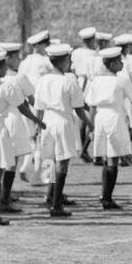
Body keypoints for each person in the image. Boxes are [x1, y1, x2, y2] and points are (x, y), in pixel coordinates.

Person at [0, 50, 41, 226]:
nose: (6, 69)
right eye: (3, 66)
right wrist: (37, 120)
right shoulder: (6, 86)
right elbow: (23, 107)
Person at [86, 45, 132, 209]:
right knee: (113, 158)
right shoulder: (122, 80)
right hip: (115, 117)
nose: (122, 64)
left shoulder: (96, 80)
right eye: (119, 61)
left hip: (100, 118)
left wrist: (91, 127)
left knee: (106, 158)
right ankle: (107, 198)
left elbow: (91, 106)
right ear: (112, 64)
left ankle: (104, 195)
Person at [33, 42, 92, 217]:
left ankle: (50, 196)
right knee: (62, 163)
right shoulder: (69, 79)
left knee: (49, 160)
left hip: (47, 121)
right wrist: (90, 124)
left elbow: (38, 107)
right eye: (68, 59)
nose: (70, 63)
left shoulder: (43, 79)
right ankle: (56, 204)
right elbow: (79, 108)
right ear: (63, 61)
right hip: (63, 120)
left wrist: (37, 125)